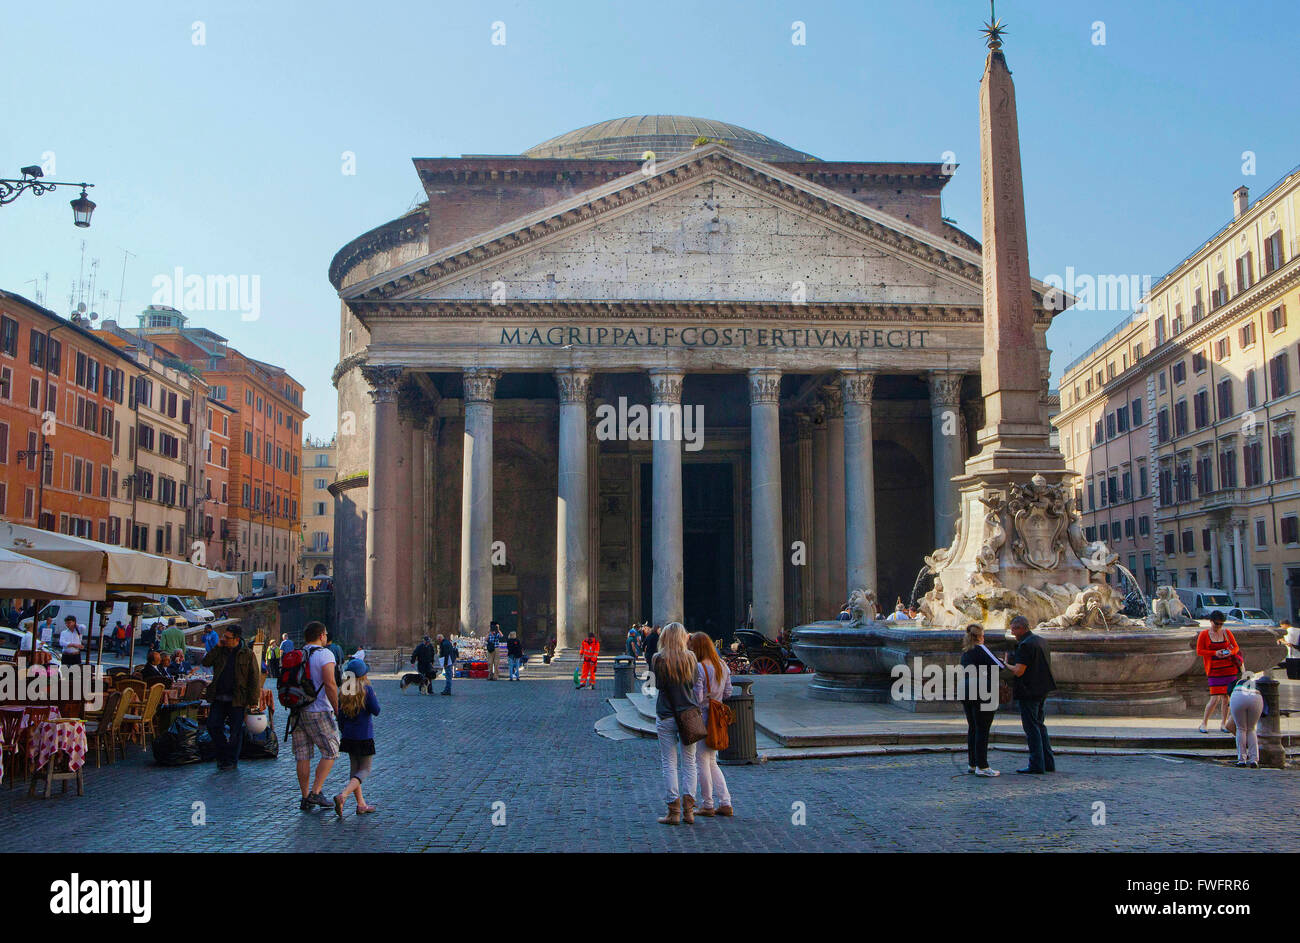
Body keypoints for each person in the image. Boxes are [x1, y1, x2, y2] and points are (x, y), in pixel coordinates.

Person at [651, 623, 702, 825]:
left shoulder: (658, 659)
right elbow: (694, 683)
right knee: (690, 762)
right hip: (688, 714)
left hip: (665, 714)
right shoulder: (691, 658)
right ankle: (689, 811)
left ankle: (673, 812)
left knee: (669, 763)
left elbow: (658, 686)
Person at [291, 621, 340, 810]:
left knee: (302, 755)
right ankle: (316, 792)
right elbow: (330, 683)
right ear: (321, 636)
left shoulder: (297, 653)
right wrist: (337, 708)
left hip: (297, 710)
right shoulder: (325, 654)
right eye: (325, 634)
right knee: (331, 750)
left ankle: (304, 797)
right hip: (318, 710)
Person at [202, 624, 262, 771]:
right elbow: (206, 662)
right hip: (219, 697)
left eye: (228, 638)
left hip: (238, 698)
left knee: (236, 731)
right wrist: (217, 647)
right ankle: (222, 754)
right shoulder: (220, 651)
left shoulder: (247, 654)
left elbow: (254, 678)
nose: (225, 639)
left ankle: (231, 760)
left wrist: (253, 701)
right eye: (224, 636)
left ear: (236, 638)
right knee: (212, 725)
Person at [687, 632, 734, 817]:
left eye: (691, 646)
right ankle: (725, 802)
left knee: (702, 762)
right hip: (718, 717)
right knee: (712, 761)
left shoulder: (699, 667)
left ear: (698, 647)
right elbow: (728, 692)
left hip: (704, 716)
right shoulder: (722, 665)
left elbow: (697, 698)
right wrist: (716, 696)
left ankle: (708, 804)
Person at [1004, 614, 1056, 774]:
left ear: (1021, 628)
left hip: (1029, 690)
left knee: (1031, 727)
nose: (1012, 633)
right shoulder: (1041, 640)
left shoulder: (1025, 645)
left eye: (1014, 629)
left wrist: (1005, 664)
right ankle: (1048, 762)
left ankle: (1036, 764)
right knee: (1040, 725)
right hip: (1043, 688)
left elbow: (1019, 671)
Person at [333, 657, 380, 816]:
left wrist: (343, 731)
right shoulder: (366, 690)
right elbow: (376, 710)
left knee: (354, 770)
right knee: (365, 770)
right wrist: (373, 694)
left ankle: (361, 804)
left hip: (348, 736)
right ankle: (343, 795)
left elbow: (340, 716)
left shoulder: (344, 691)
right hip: (364, 736)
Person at [959, 623, 1003, 777]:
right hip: (982, 691)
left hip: (965, 691)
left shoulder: (966, 652)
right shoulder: (981, 648)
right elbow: (999, 665)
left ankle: (972, 763)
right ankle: (982, 766)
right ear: (979, 637)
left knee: (973, 727)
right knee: (983, 728)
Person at [1196, 611, 1240, 734]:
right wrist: (1215, 653)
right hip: (1214, 670)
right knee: (1214, 698)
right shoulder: (1204, 634)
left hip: (1229, 669)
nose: (1219, 626)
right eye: (1216, 624)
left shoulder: (1227, 633)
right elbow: (1199, 651)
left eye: (1221, 624)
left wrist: (1229, 652)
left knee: (1226, 698)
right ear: (1211, 621)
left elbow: (1236, 647)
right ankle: (1204, 723)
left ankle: (1224, 723)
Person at [1225, 672, 1265, 768]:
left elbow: (1229, 695)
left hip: (1238, 694)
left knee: (1241, 729)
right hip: (1256, 695)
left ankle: (1242, 760)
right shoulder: (1255, 684)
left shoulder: (1234, 683)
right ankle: (1254, 760)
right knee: (1251, 729)